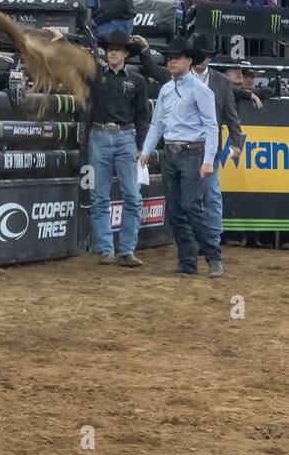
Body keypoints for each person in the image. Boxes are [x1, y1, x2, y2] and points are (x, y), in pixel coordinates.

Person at [139, 37, 221, 277]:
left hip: (192, 153)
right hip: (172, 153)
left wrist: (208, 160)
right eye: (169, 57)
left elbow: (212, 127)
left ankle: (212, 255)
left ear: (188, 60)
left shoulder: (201, 90)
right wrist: (145, 152)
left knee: (190, 206)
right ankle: (188, 262)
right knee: (176, 210)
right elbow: (157, 124)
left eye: (176, 57)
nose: (171, 61)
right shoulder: (166, 89)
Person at [86, 32, 156, 267]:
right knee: (99, 197)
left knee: (132, 197)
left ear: (126, 53)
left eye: (118, 49)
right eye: (110, 48)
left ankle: (124, 250)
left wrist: (140, 147)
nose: (113, 52)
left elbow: (142, 116)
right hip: (101, 135)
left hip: (124, 137)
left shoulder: (137, 81)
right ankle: (108, 249)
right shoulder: (96, 75)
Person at [191, 45, 245, 253]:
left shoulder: (221, 82)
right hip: (187, 145)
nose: (199, 59)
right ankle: (194, 241)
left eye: (202, 56)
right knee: (193, 196)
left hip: (210, 147)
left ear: (208, 58)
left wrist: (237, 143)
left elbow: (231, 115)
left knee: (211, 194)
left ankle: (212, 241)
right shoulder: (182, 78)